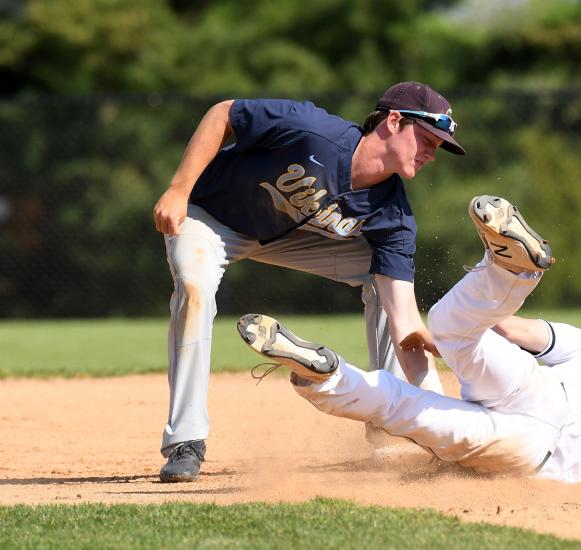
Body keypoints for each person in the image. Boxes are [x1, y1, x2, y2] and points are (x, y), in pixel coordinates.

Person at [152, 82, 466, 482]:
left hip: (286, 236)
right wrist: (179, 189)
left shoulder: (394, 214)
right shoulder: (311, 130)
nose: (430, 153)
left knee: (382, 275)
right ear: (393, 121)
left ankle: (396, 422)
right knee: (194, 289)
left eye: (437, 147)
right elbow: (224, 113)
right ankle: (186, 441)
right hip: (210, 217)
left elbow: (405, 324)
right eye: (426, 138)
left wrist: (440, 420)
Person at [237, 195, 581, 482]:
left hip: (538, 392)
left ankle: (510, 271)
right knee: (409, 410)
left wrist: (451, 345)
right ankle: (325, 379)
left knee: (452, 325)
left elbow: (508, 327)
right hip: (532, 458)